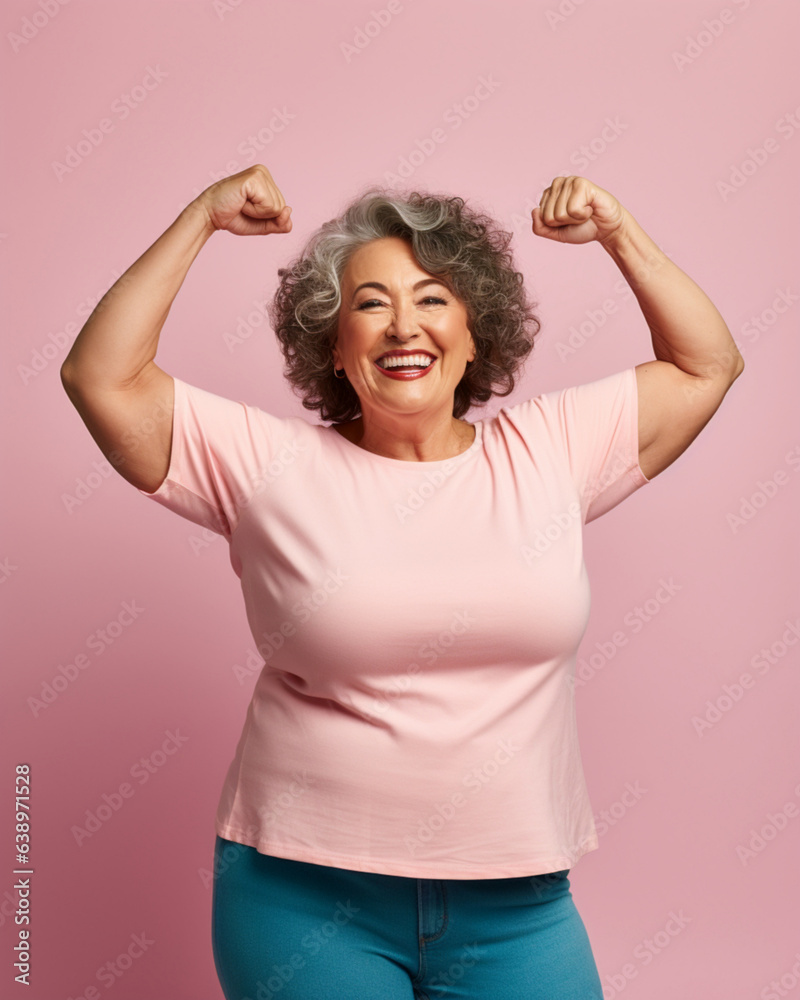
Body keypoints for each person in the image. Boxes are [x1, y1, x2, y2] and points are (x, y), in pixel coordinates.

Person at [60, 165, 744, 999]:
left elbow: (707, 362)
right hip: (303, 901)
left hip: (518, 904)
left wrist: (616, 232)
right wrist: (200, 217)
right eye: (370, 302)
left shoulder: (553, 448)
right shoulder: (268, 464)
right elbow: (100, 377)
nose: (403, 326)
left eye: (432, 298)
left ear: (473, 330)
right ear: (334, 342)